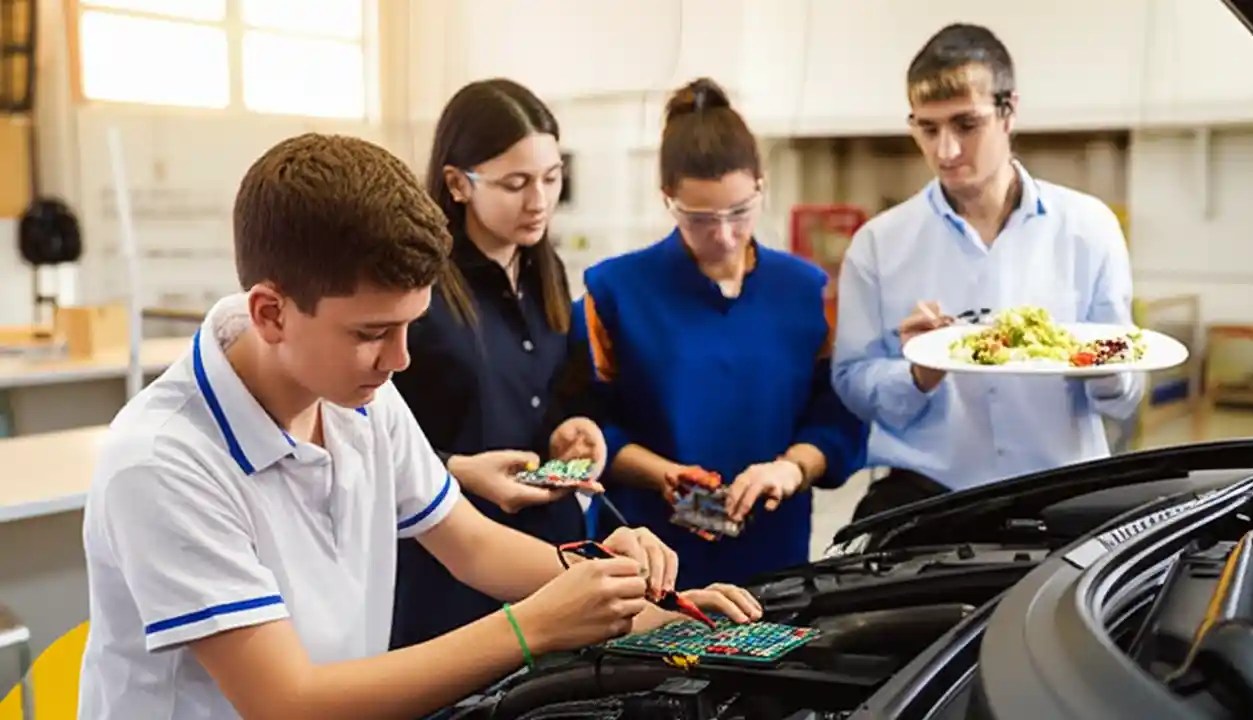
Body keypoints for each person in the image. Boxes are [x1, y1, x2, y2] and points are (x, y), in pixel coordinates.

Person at [76, 133, 761, 720]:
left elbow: (473, 547)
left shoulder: (358, 397)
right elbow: (287, 702)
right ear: (271, 314)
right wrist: (533, 630)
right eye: (373, 332)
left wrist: (635, 600)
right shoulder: (164, 463)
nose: (399, 359)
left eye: (410, 325)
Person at [831, 23, 1143, 520]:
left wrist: (1103, 364)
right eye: (927, 129)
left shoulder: (1088, 228)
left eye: (966, 125)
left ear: (1008, 110)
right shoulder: (879, 244)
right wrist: (918, 373)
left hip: (1062, 490)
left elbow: (1123, 401)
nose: (945, 151)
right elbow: (852, 384)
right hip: (928, 496)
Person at [578, 78, 868, 590]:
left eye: (739, 211)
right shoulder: (616, 291)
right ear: (667, 199)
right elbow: (589, 426)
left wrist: (790, 469)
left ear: (761, 184)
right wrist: (663, 474)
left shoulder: (803, 291)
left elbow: (837, 422)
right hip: (649, 562)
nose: (726, 235)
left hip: (774, 561)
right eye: (701, 219)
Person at [390, 79, 616, 648]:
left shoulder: (549, 273)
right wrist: (460, 470)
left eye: (551, 177)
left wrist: (573, 431)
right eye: (515, 183)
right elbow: (366, 435)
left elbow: (562, 394)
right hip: (447, 562)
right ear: (456, 184)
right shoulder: (416, 290)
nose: (538, 200)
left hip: (548, 550)